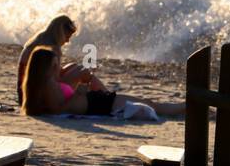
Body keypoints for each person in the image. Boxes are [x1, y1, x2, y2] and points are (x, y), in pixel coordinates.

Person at [20, 45, 184, 118]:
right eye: (56, 64)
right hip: (97, 104)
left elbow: (58, 105)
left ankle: (188, 107)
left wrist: (77, 88)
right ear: (47, 66)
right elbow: (58, 108)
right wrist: (77, 92)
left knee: (149, 104)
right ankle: (190, 107)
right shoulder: (49, 83)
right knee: (152, 105)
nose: (58, 68)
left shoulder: (36, 85)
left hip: (93, 103)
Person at [16, 15, 105, 105]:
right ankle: (107, 97)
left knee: (75, 67)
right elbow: (54, 80)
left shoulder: (35, 43)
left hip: (26, 96)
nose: (67, 41)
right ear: (60, 33)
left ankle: (105, 95)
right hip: (43, 99)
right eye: (67, 36)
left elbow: (44, 75)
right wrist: (80, 74)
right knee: (82, 71)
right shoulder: (52, 49)